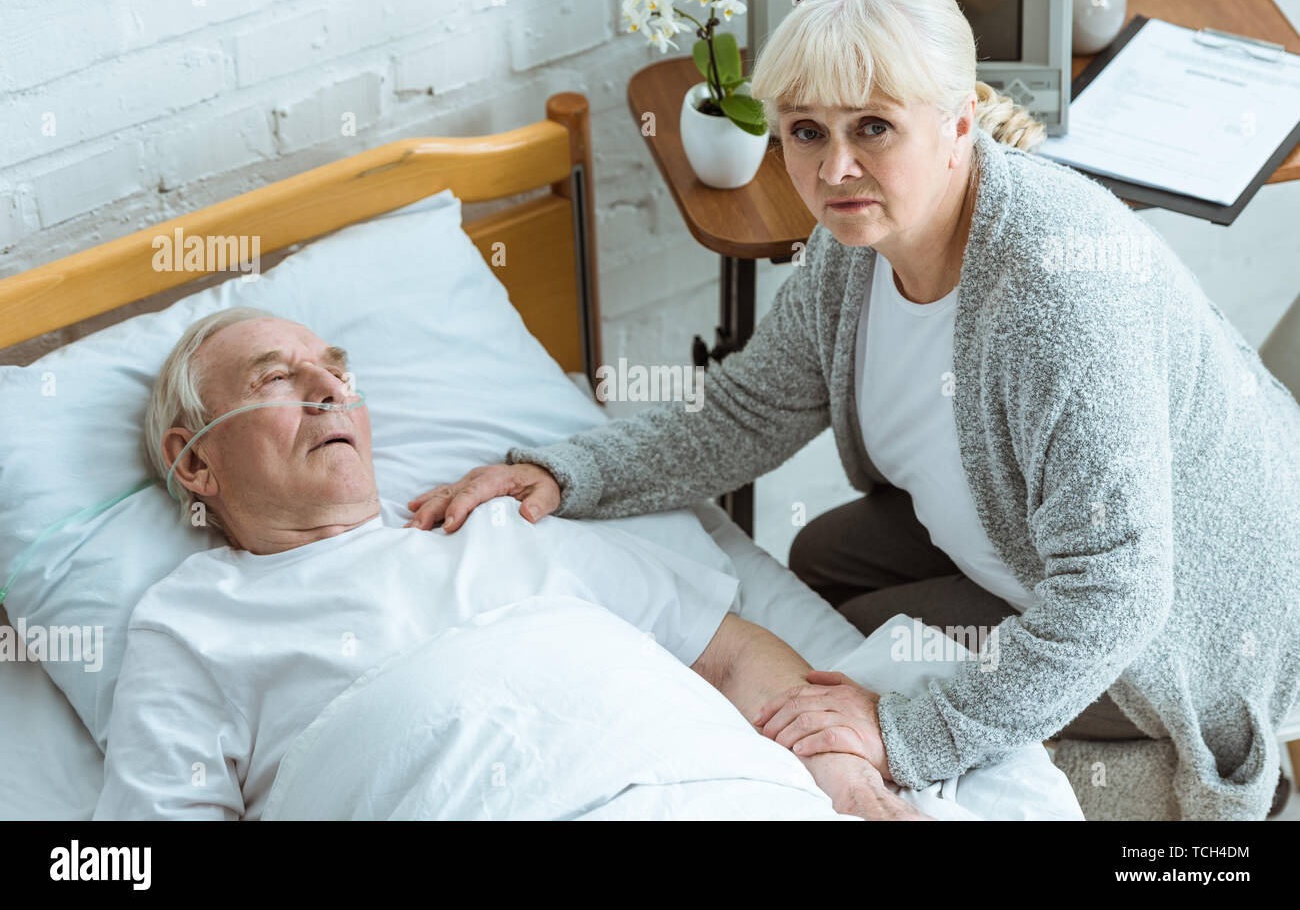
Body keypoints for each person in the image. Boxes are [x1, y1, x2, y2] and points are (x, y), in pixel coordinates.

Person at [406, 0, 1300, 820]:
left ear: (959, 122)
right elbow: (747, 410)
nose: (833, 169)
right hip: (1052, 551)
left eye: (873, 127)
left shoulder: (1054, 297)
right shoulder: (852, 251)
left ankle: (1180, 783)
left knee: (866, 689)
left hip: (1198, 615)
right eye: (806, 131)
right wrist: (568, 475)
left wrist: (902, 729)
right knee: (827, 576)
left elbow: (1117, 594)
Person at [94, 308, 926, 820]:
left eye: (338, 370)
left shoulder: (492, 522)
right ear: (194, 461)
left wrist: (846, 783)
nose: (328, 389)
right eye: (277, 378)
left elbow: (731, 649)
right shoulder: (192, 622)